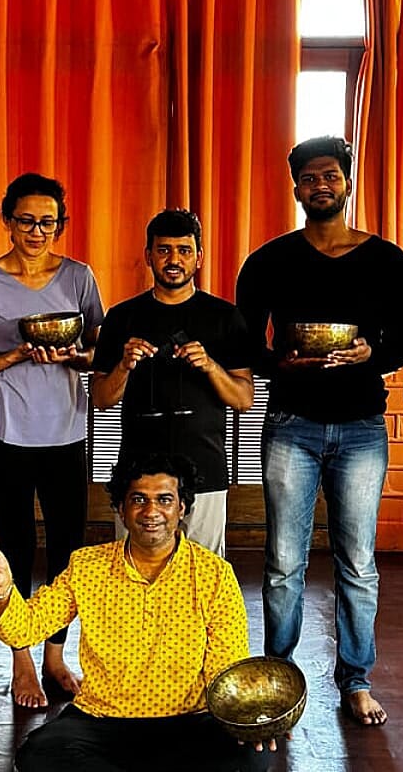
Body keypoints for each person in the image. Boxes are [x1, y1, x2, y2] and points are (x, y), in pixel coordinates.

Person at [235, 135, 403, 725]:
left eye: (331, 176)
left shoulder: (387, 260)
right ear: (296, 188)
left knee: (357, 562)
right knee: (284, 561)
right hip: (290, 423)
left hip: (362, 425)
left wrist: (369, 352)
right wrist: (279, 365)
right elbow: (244, 344)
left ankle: (356, 679)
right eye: (310, 178)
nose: (321, 186)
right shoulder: (269, 261)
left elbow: (402, 342)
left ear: (347, 181)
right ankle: (277, 676)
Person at [0, 454, 275, 772]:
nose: (151, 511)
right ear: (121, 508)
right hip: (101, 721)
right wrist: (3, 589)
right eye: (138, 499)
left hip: (189, 723)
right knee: (38, 756)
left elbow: (225, 668)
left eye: (165, 499)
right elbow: (28, 627)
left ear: (182, 508)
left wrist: (244, 718)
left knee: (252, 757)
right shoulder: (87, 566)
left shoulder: (214, 574)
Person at [0, 172, 104, 709]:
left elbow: (97, 354)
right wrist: (18, 353)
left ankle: (55, 657)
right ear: (7, 221)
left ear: (60, 225)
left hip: (67, 429)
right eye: (26, 220)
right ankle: (22, 658)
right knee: (16, 545)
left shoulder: (80, 278)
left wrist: (71, 356)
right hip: (3, 428)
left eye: (48, 221)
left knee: (67, 548)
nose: (37, 231)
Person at [90, 208, 253, 556]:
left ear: (199, 257)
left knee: (203, 576)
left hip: (204, 470)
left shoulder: (225, 317)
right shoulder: (122, 317)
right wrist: (124, 365)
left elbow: (243, 399)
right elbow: (101, 398)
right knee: (131, 574)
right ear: (149, 256)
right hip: (137, 471)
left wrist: (210, 365)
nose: (174, 260)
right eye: (164, 250)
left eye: (184, 250)